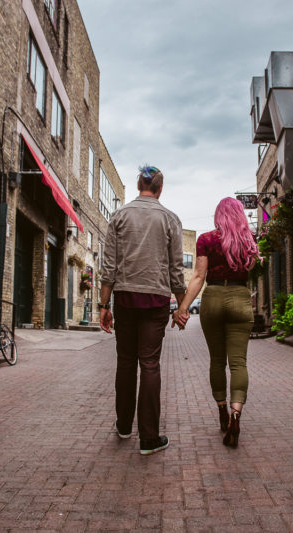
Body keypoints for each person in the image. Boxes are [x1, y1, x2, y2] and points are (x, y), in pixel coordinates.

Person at [99, 165, 186, 455]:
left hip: (124, 297)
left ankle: (124, 426)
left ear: (139, 185)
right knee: (150, 364)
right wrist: (181, 306)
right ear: (160, 189)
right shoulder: (170, 219)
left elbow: (109, 266)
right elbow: (176, 270)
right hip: (156, 299)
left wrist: (103, 305)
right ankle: (148, 438)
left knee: (125, 362)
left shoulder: (119, 216)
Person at [172, 197, 258, 448]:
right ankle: (235, 413)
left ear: (218, 216)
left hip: (213, 299)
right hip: (240, 298)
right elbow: (250, 268)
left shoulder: (206, 240)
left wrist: (182, 308)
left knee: (217, 361)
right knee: (238, 363)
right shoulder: (248, 239)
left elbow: (199, 276)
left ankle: (221, 410)